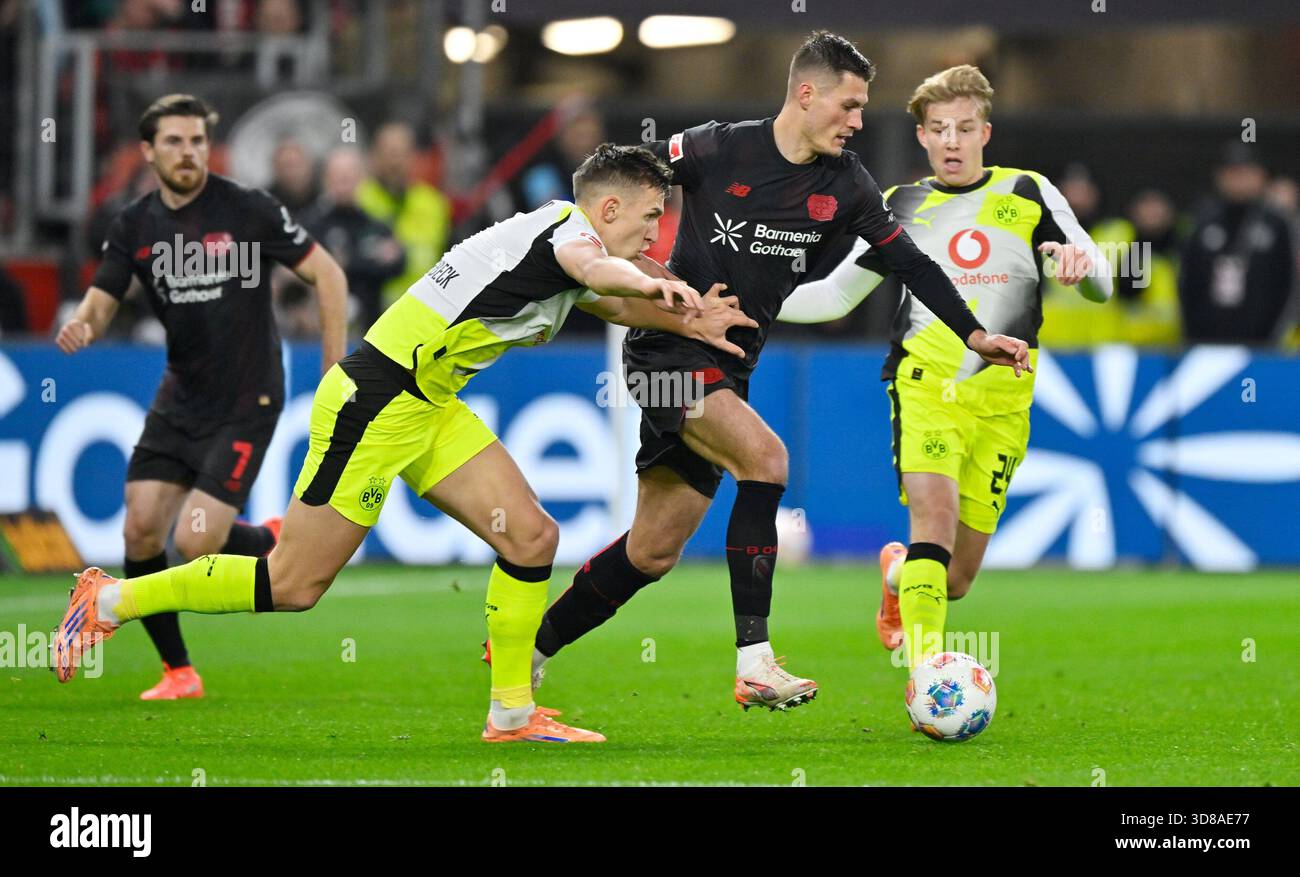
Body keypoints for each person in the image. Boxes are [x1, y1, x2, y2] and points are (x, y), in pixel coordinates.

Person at [52, 144, 756, 744]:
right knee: (295, 584)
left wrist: (688, 315)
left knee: (533, 537)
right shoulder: (571, 241)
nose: (656, 230)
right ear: (608, 211)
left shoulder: (555, 245)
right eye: (650, 215)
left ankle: (511, 711)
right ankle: (113, 598)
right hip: (378, 400)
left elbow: (604, 297)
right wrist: (651, 286)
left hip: (429, 405)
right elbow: (604, 276)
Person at [526, 34, 1030, 712]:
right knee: (767, 459)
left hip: (729, 369)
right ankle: (756, 662)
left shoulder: (845, 183)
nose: (856, 122)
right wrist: (631, 274)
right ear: (806, 94)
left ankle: (527, 648)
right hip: (664, 354)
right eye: (849, 106)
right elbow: (621, 188)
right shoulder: (713, 147)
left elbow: (910, 262)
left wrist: (974, 333)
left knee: (651, 550)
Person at [778, 65, 1111, 668]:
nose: (952, 140)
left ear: (986, 132)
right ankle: (927, 676)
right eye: (938, 129)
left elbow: (1105, 286)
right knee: (934, 517)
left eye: (964, 128)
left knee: (955, 579)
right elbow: (833, 296)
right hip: (924, 385)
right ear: (923, 138)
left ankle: (898, 576)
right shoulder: (898, 206)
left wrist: (1080, 267)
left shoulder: (1029, 192)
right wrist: (752, 302)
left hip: (1005, 399)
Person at [55, 93, 348, 700]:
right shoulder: (135, 224)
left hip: (250, 396)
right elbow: (104, 297)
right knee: (139, 531)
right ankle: (178, 672)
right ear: (148, 151)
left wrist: (332, 369)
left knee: (193, 540)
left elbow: (329, 275)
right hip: (180, 397)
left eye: (196, 141)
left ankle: (268, 542)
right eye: (174, 142)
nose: (188, 153)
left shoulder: (246, 209)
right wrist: (84, 321)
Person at [1179, 143, 1296, 344]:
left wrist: (1273, 337)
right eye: (1232, 173)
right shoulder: (1203, 221)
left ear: (1261, 176)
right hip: (1206, 341)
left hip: (1262, 344)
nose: (1238, 180)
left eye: (1245, 173)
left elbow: (1288, 283)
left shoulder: (1277, 224)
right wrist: (1192, 335)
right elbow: (1187, 281)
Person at [299, 147, 406, 330]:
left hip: (370, 327)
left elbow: (398, 264)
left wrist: (346, 262)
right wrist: (369, 261)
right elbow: (308, 271)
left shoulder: (376, 224)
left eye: (349, 177)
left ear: (361, 180)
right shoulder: (311, 225)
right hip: (321, 329)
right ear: (326, 180)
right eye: (338, 177)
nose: (344, 184)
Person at [356, 122, 454, 311]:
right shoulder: (359, 199)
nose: (396, 162)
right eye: (389, 153)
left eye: (402, 154)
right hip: (372, 312)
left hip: (424, 310)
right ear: (374, 157)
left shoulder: (434, 203)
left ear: (414, 158)